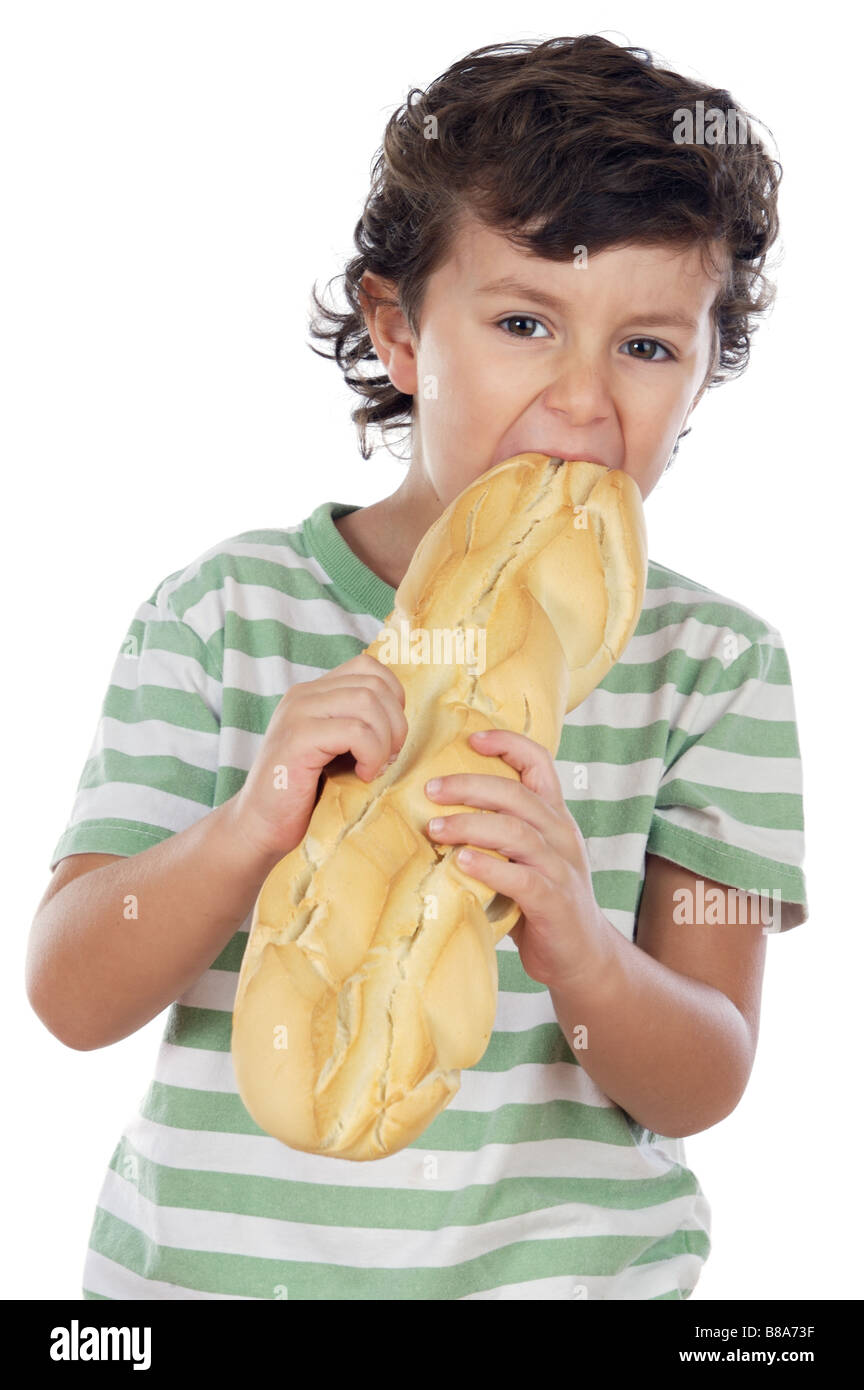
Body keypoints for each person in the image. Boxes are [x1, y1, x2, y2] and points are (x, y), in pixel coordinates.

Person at [26, 34, 808, 1300]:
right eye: (521, 322)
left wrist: (577, 939)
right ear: (398, 331)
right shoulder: (221, 615)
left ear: (708, 370)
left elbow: (708, 1075)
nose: (582, 400)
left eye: (648, 347)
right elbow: (70, 992)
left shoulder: (714, 666)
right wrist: (247, 830)